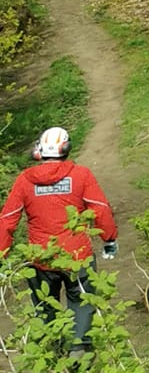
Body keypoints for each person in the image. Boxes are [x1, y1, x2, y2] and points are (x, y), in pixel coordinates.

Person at [0, 126, 118, 353]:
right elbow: (100, 209)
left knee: (45, 304)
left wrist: (1, 254)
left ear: (39, 151)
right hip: (78, 255)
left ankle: (53, 347)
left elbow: (7, 220)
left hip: (40, 258)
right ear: (66, 148)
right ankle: (79, 348)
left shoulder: (25, 180)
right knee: (81, 301)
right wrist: (109, 238)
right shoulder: (81, 175)